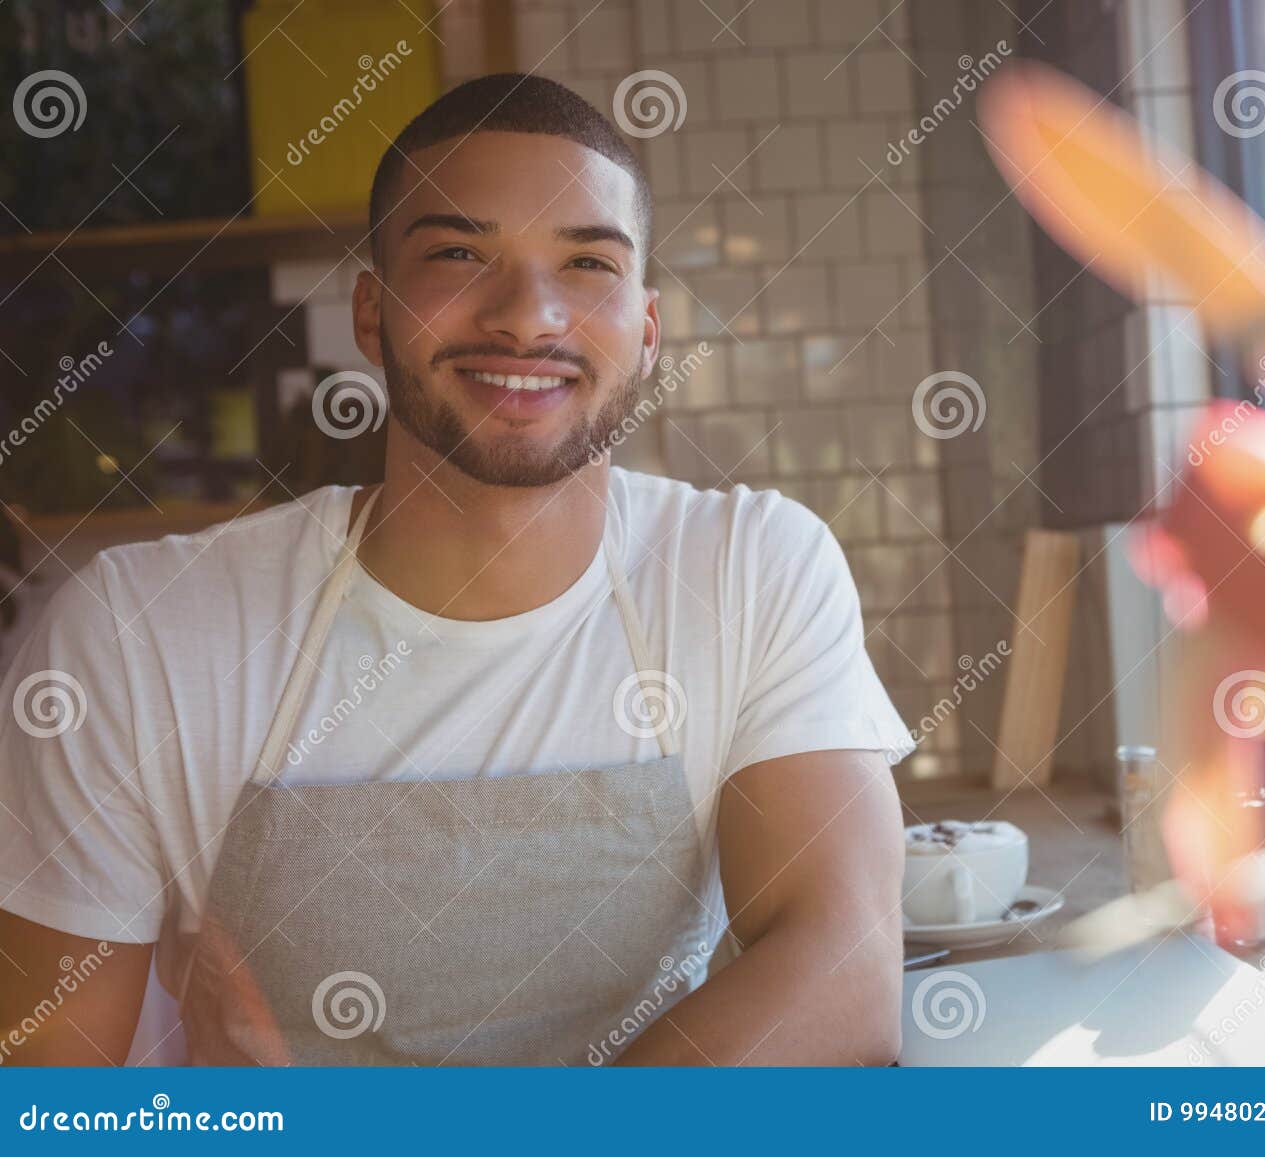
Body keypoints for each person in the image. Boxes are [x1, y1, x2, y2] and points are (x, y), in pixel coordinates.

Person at [0, 74, 912, 1066]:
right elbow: (47, 1092)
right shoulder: (138, 632)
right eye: (459, 254)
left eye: (586, 262)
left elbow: (844, 969)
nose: (529, 316)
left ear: (646, 330)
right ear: (371, 312)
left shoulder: (747, 569)